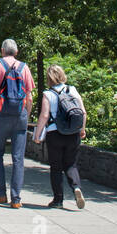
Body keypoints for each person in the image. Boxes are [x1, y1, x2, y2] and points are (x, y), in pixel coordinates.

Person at [0, 39, 35, 208]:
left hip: (0, 115)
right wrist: (26, 114)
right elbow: (30, 96)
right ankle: (16, 199)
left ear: (2, 50)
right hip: (19, 115)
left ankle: (0, 194)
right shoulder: (24, 67)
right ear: (16, 52)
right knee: (18, 158)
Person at [33, 65, 87, 209]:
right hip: (72, 133)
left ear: (49, 78)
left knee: (56, 167)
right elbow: (82, 111)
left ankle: (58, 200)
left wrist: (37, 135)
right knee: (71, 164)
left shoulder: (48, 94)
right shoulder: (72, 90)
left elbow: (44, 115)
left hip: (54, 133)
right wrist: (82, 129)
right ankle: (76, 187)